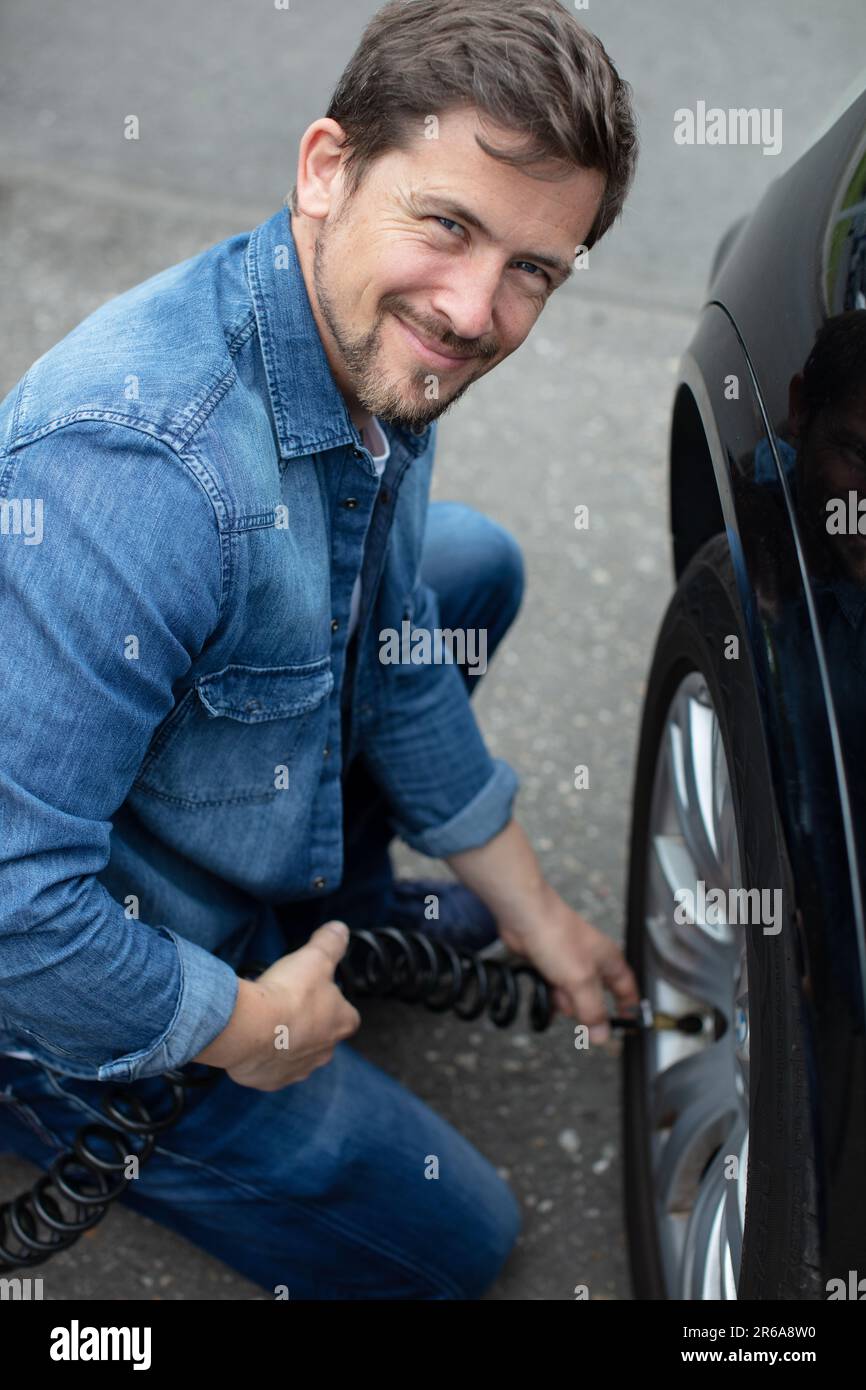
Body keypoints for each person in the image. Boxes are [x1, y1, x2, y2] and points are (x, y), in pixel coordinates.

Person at [0, 0, 640, 1298]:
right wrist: (248, 1024)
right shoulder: (133, 472)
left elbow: (395, 647)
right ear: (325, 167)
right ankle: (43, 1091)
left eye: (535, 269)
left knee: (460, 566)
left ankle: (329, 913)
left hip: (180, 812)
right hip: (55, 967)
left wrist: (538, 913)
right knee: (456, 1237)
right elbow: (13, 911)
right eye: (447, 224)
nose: (475, 311)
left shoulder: (368, 349)